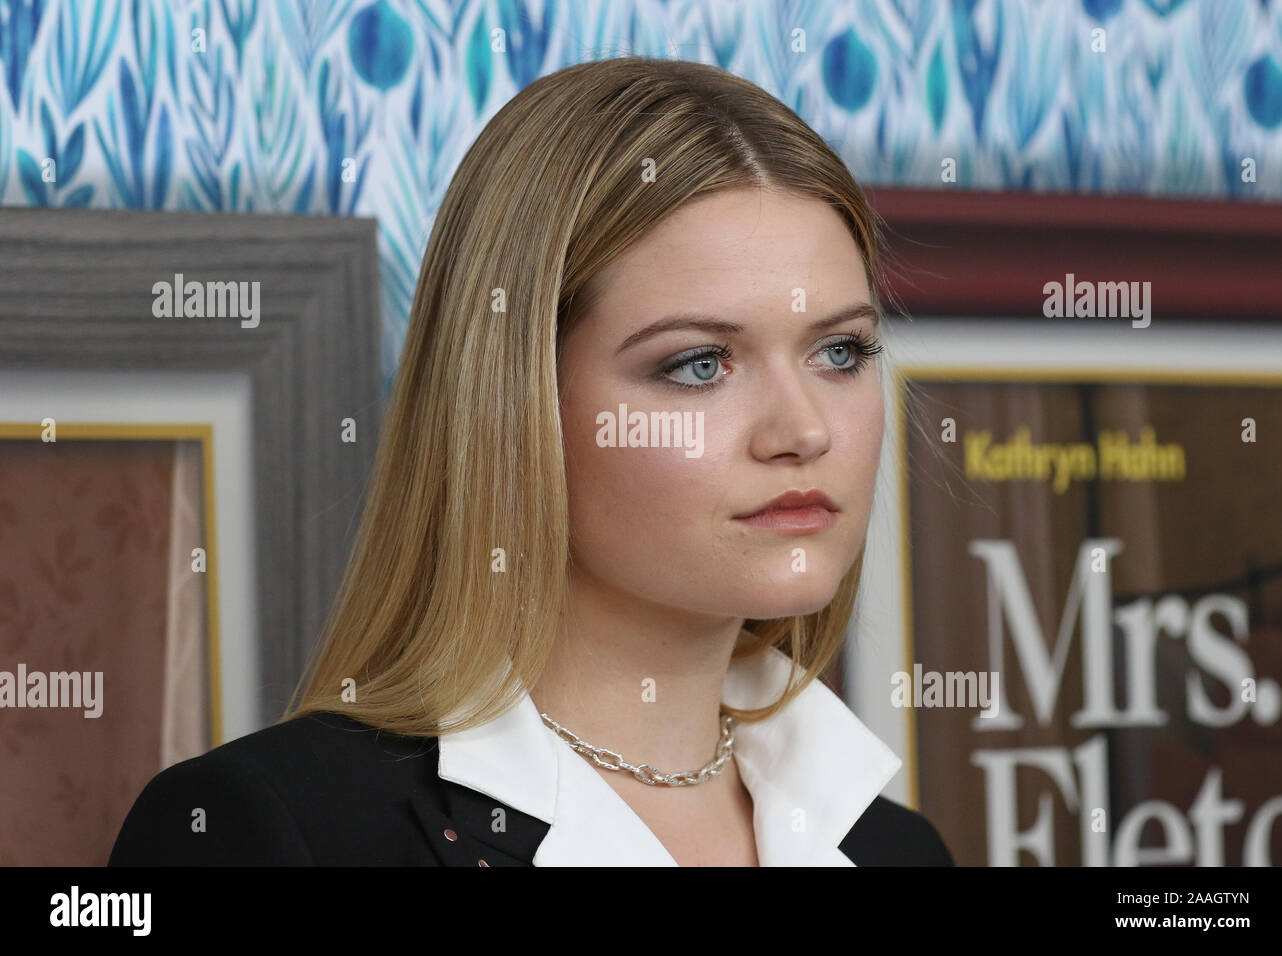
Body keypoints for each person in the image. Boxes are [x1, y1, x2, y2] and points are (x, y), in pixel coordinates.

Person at [108, 55, 954, 867]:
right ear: (513, 402)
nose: (802, 430)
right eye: (700, 364)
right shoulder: (262, 833)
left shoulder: (896, 849)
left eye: (840, 352)